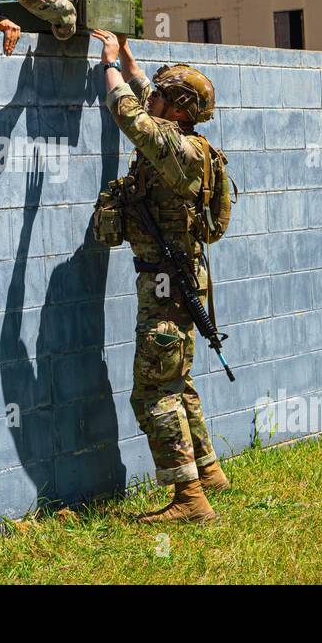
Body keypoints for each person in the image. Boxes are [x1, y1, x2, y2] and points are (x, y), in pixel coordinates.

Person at [95, 28, 232, 524]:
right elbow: (146, 102)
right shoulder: (189, 143)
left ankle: (189, 499)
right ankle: (210, 471)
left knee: (152, 391)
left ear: (175, 109)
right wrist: (129, 59)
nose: (147, 95)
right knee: (178, 379)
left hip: (165, 284)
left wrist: (108, 63)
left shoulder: (176, 148)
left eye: (157, 94)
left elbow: (130, 116)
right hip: (179, 280)